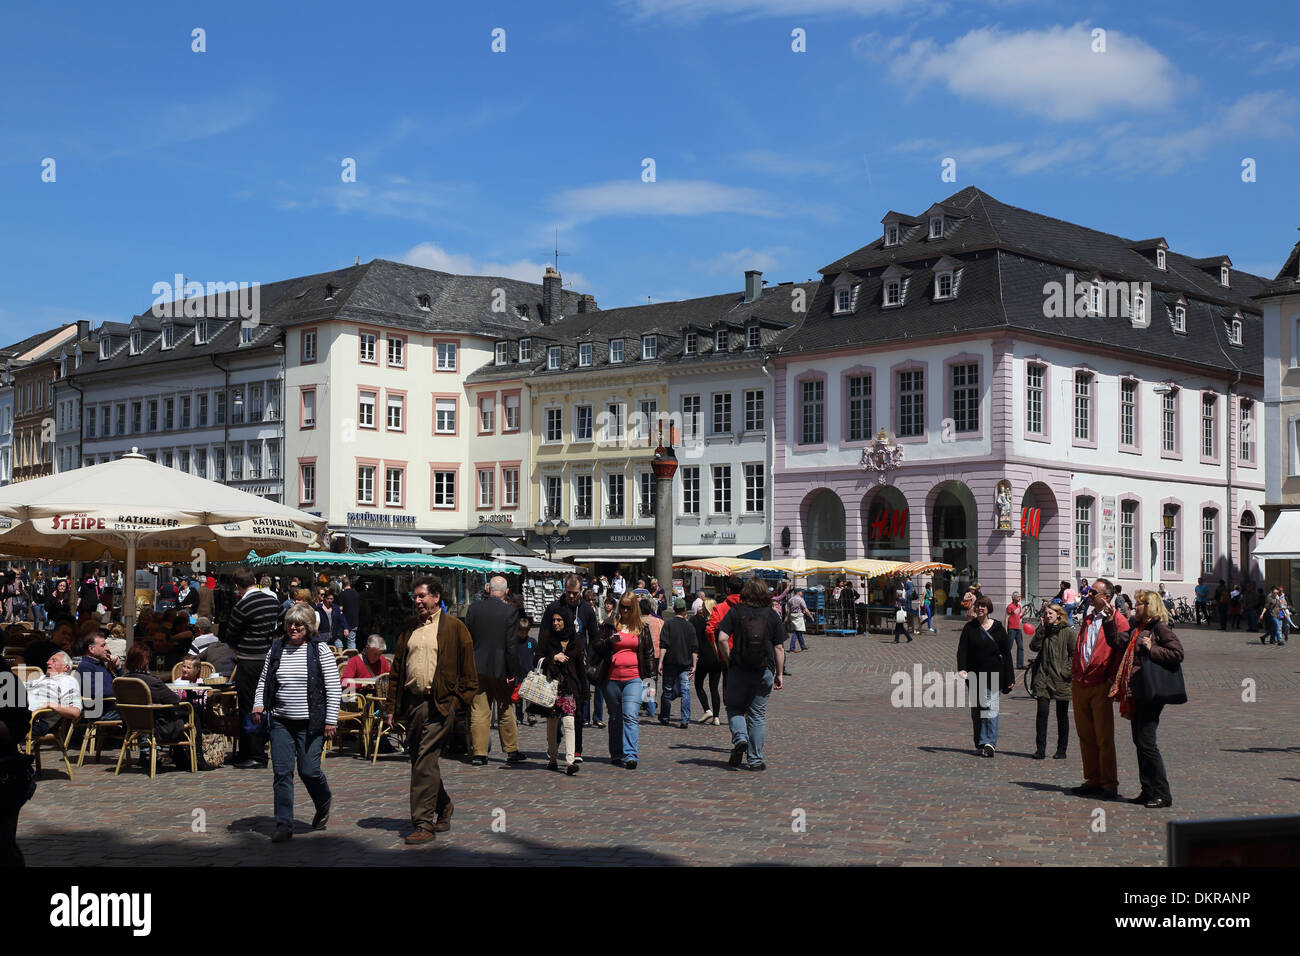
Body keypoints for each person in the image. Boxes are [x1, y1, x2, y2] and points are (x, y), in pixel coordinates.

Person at [389, 576, 478, 846]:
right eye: (414, 597)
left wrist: (455, 705)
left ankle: (423, 823)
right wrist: (392, 708)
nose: (417, 601)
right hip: (414, 704)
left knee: (424, 761)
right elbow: (396, 672)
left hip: (441, 705)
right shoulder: (409, 629)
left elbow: (470, 677)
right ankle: (445, 804)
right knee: (421, 761)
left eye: (421, 596)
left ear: (436, 597)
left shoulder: (455, 628)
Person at [252, 604, 340, 842]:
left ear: (308, 627)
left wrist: (331, 720)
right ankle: (283, 825)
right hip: (281, 721)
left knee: (309, 771)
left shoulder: (319, 650)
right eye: (290, 623)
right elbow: (265, 680)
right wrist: (258, 704)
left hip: (312, 722)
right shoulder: (277, 648)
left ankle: (323, 801)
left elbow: (333, 688)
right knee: (282, 773)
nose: (293, 627)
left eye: (299, 624)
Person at [1107, 589, 1184, 809]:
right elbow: (1116, 641)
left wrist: (1154, 649)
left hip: (1151, 692)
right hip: (1137, 691)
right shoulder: (1137, 627)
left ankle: (1162, 793)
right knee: (1140, 742)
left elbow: (1177, 653)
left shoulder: (1160, 627)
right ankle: (1147, 790)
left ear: (1149, 606)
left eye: (1140, 604)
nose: (1135, 606)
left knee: (1147, 743)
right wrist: (1110, 619)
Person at [717, 578, 786, 771]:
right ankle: (755, 760)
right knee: (757, 715)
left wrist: (729, 659)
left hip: (739, 668)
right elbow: (779, 648)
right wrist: (779, 673)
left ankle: (740, 737)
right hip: (763, 670)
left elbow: (722, 638)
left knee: (735, 707)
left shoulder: (736, 612)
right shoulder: (772, 615)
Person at [1070, 578, 1128, 799]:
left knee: (1103, 737)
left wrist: (1111, 678)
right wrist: (1075, 671)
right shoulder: (1088, 618)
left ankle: (1109, 782)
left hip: (1100, 683)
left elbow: (1121, 649)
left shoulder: (1118, 620)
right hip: (1080, 683)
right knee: (1085, 735)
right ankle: (1092, 779)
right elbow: (1081, 647)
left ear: (1106, 597)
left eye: (1093, 591)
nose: (1088, 594)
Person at [224, 566, 282, 769]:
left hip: (249, 661)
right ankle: (259, 749)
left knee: (249, 707)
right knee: (266, 704)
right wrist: (271, 640)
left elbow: (230, 635)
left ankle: (254, 754)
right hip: (268, 659)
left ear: (238, 586)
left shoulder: (242, 606)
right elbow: (283, 624)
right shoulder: (273, 601)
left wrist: (239, 649)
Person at [591, 592, 655, 769]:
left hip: (633, 679)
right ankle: (616, 753)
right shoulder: (610, 624)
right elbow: (596, 646)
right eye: (623, 607)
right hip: (611, 679)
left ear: (634, 608)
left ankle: (630, 755)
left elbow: (649, 654)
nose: (625, 610)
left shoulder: (642, 627)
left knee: (630, 715)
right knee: (615, 717)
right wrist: (610, 641)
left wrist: (651, 681)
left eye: (629, 607)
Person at [465, 575, 523, 766]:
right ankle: (511, 750)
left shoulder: (473, 609)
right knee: (505, 709)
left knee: (480, 711)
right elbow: (511, 646)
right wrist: (512, 673)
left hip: (478, 666)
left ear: (488, 588)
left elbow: (468, 640)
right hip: (500, 667)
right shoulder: (510, 612)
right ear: (506, 592)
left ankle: (479, 753)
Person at [544, 574, 597, 759]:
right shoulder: (553, 609)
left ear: (580, 591)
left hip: (577, 667)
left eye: (575, 593)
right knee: (555, 710)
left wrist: (588, 659)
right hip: (556, 667)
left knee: (578, 710)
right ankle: (555, 744)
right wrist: (551, 656)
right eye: (568, 593)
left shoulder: (587, 611)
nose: (572, 597)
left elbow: (594, 638)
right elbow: (544, 636)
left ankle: (576, 749)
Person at [956, 596, 1014, 757]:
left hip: (994, 674)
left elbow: (1006, 654)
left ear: (989, 608)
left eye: (983, 606)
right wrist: (962, 669)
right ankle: (980, 742)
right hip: (974, 676)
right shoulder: (970, 628)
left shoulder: (998, 628)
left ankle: (990, 743)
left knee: (990, 709)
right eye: (978, 605)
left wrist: (1010, 677)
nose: (980, 608)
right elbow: (962, 650)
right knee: (977, 712)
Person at [534, 605, 587, 774]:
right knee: (552, 723)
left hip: (568, 686)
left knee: (569, 722)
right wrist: (553, 657)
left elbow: (579, 666)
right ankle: (553, 758)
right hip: (551, 686)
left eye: (559, 620)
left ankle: (570, 761)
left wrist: (584, 689)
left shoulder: (574, 638)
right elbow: (536, 659)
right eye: (554, 620)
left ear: (566, 621)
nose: (556, 623)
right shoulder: (546, 636)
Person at [1029, 603, 1075, 760]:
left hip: (1061, 679)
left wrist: (1066, 671)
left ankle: (1061, 749)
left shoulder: (1068, 632)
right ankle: (1040, 749)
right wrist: (1041, 630)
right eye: (1046, 613)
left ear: (1059, 615)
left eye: (1051, 613)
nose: (1048, 616)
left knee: (1062, 715)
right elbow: (1033, 647)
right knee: (1042, 713)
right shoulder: (1044, 631)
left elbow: (1074, 654)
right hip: (1043, 677)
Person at [658, 597, 698, 728]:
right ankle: (685, 719)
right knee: (685, 691)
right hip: (685, 663)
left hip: (670, 662)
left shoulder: (668, 624)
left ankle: (665, 717)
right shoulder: (690, 626)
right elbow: (694, 649)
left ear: (674, 610)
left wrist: (660, 662)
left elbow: (663, 646)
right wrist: (694, 665)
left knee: (667, 690)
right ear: (685, 611)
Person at [23, 651, 82, 741]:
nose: (48, 662)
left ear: (65, 667)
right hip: (20, 713)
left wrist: (49, 704)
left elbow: (75, 712)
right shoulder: (42, 678)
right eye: (49, 660)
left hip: (35, 721)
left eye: (54, 660)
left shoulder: (67, 680)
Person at [75, 632, 122, 723]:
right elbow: (97, 693)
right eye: (103, 645)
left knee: (139, 710)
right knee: (138, 712)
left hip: (110, 708)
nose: (108, 648)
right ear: (91, 649)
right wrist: (122, 694)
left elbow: (122, 684)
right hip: (100, 713)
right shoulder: (86, 666)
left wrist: (118, 668)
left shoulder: (101, 665)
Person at [692, 598, 723, 725]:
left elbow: (695, 640)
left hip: (703, 657)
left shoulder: (699, 622)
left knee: (698, 684)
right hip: (716, 658)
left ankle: (707, 709)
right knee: (714, 688)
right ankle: (716, 717)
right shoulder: (719, 623)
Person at [1005, 592, 1025, 669]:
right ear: (1014, 598)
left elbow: (1018, 617)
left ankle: (1020, 665)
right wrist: (1006, 628)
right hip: (1011, 629)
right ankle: (1005, 663)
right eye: (1018, 597)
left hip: (1018, 629)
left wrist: (1023, 614)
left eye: (1020, 596)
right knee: (1009, 647)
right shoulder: (1010, 606)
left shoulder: (1019, 606)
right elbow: (1007, 618)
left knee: (1021, 647)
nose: (1019, 598)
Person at [786, 587, 809, 653]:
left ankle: (803, 646)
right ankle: (792, 647)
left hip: (793, 616)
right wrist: (810, 616)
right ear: (798, 592)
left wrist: (788, 618)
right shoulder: (801, 599)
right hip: (799, 616)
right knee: (796, 632)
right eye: (801, 592)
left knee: (799, 632)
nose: (802, 593)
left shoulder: (790, 599)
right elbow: (805, 609)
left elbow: (788, 610)